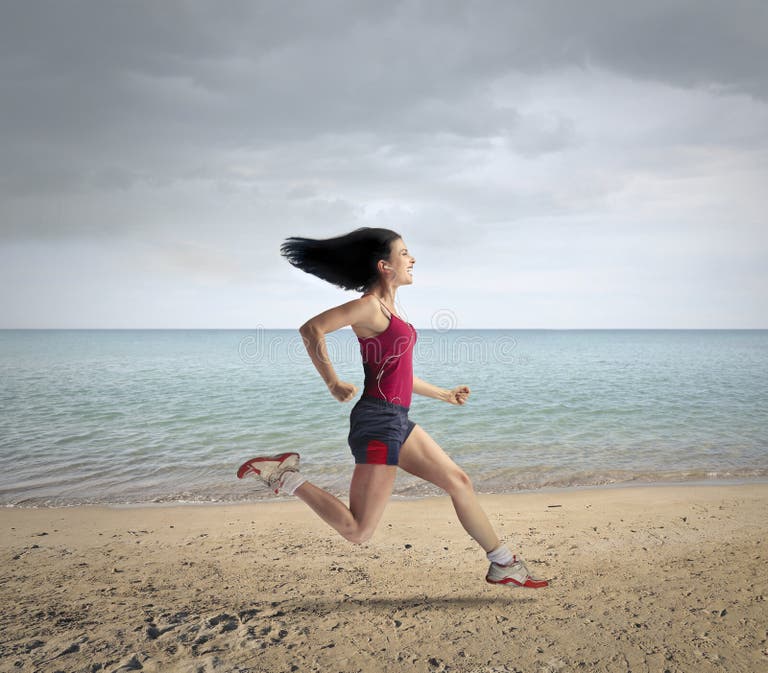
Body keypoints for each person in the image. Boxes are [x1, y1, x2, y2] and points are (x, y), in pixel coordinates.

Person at [237, 228, 547, 588]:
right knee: (358, 530)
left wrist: (445, 395)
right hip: (378, 424)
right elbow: (312, 330)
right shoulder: (368, 306)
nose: (411, 259)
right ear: (384, 266)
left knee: (459, 482)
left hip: (396, 420)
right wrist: (333, 382)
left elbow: (398, 375)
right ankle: (284, 476)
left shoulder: (390, 310)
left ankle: (503, 562)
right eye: (404, 253)